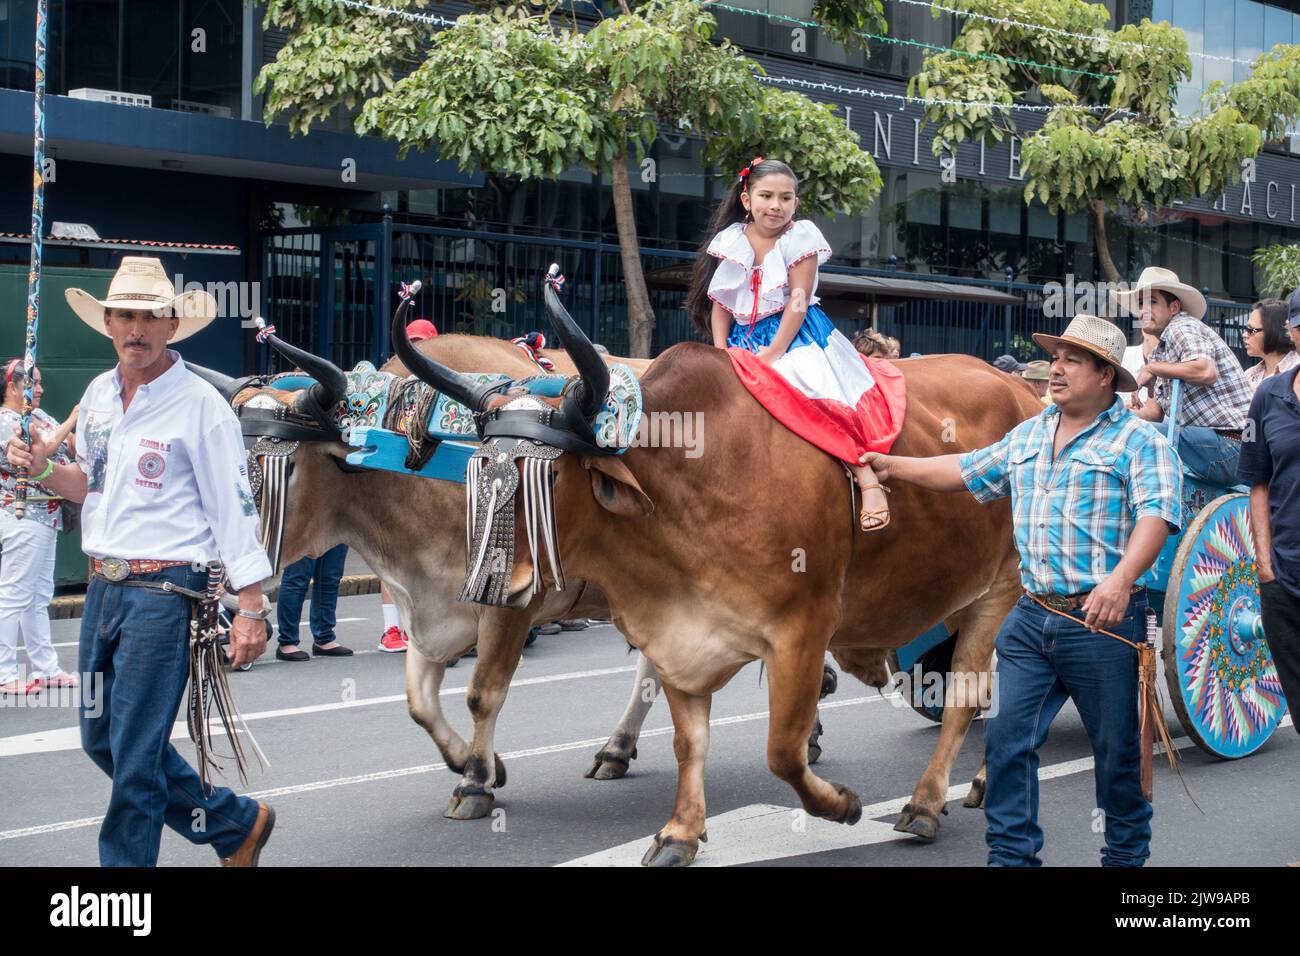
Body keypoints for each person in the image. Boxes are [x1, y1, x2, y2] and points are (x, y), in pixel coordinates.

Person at [863, 313, 1181, 867]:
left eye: (1070, 361)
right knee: (1007, 745)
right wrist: (891, 465)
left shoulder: (1138, 441)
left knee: (1117, 761)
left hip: (1100, 624)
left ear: (1105, 375)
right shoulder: (1032, 432)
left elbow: (1157, 514)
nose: (1054, 370)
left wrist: (1120, 581)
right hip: (1031, 619)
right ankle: (1011, 860)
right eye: (1055, 359)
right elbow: (965, 470)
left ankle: (1126, 864)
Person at [5, 256, 275, 866]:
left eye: (151, 317)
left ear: (173, 324)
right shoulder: (98, 396)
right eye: (125, 315)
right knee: (103, 740)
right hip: (104, 588)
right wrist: (43, 469)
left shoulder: (203, 405)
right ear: (107, 322)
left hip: (166, 593)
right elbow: (89, 487)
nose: (137, 328)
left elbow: (234, 508)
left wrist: (253, 605)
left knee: (133, 758)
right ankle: (235, 824)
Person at [685, 156, 906, 532]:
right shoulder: (732, 240)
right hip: (741, 341)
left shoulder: (799, 237)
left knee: (812, 393)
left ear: (795, 203)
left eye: (785, 198)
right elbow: (722, 302)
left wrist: (772, 354)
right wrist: (721, 351)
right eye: (766, 196)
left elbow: (798, 301)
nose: (776, 206)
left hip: (797, 337)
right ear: (746, 199)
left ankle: (866, 478)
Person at [1118, 267, 1252, 487]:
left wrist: (1152, 369)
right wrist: (1116, 411)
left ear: (1174, 307)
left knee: (1137, 436)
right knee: (1127, 428)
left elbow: (1205, 371)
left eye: (1152, 302)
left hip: (1234, 446)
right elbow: (1153, 413)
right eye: (1141, 304)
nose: (1144, 310)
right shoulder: (1160, 352)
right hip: (1215, 448)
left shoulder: (1181, 326)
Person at [1237, 285, 1300, 751]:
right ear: (1294, 332)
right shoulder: (1266, 398)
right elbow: (1257, 484)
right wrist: (1264, 565)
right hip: (1285, 576)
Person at [0, 360, 78, 694]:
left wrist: (75, 436)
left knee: (39, 595)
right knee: (14, 594)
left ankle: (46, 668)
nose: (41, 388)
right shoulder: (7, 420)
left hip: (48, 514)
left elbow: (65, 442)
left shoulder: (40, 416)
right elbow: (39, 452)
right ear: (13, 387)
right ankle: (4, 673)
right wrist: (72, 420)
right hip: (21, 514)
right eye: (34, 383)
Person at [377, 317, 439, 653]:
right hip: (396, 479)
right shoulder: (388, 381)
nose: (414, 348)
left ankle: (425, 624)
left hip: (434, 480)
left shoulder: (445, 380)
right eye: (410, 342)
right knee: (393, 556)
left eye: (421, 343)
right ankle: (391, 630)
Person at [276, 545, 352, 661]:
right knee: (296, 578)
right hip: (304, 526)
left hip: (338, 526)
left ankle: (324, 637)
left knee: (330, 578)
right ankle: (287, 641)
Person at [1242, 297, 1298, 394]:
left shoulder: (1296, 371)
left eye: (1252, 330)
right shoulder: (1249, 375)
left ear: (1273, 331)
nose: (1244, 335)